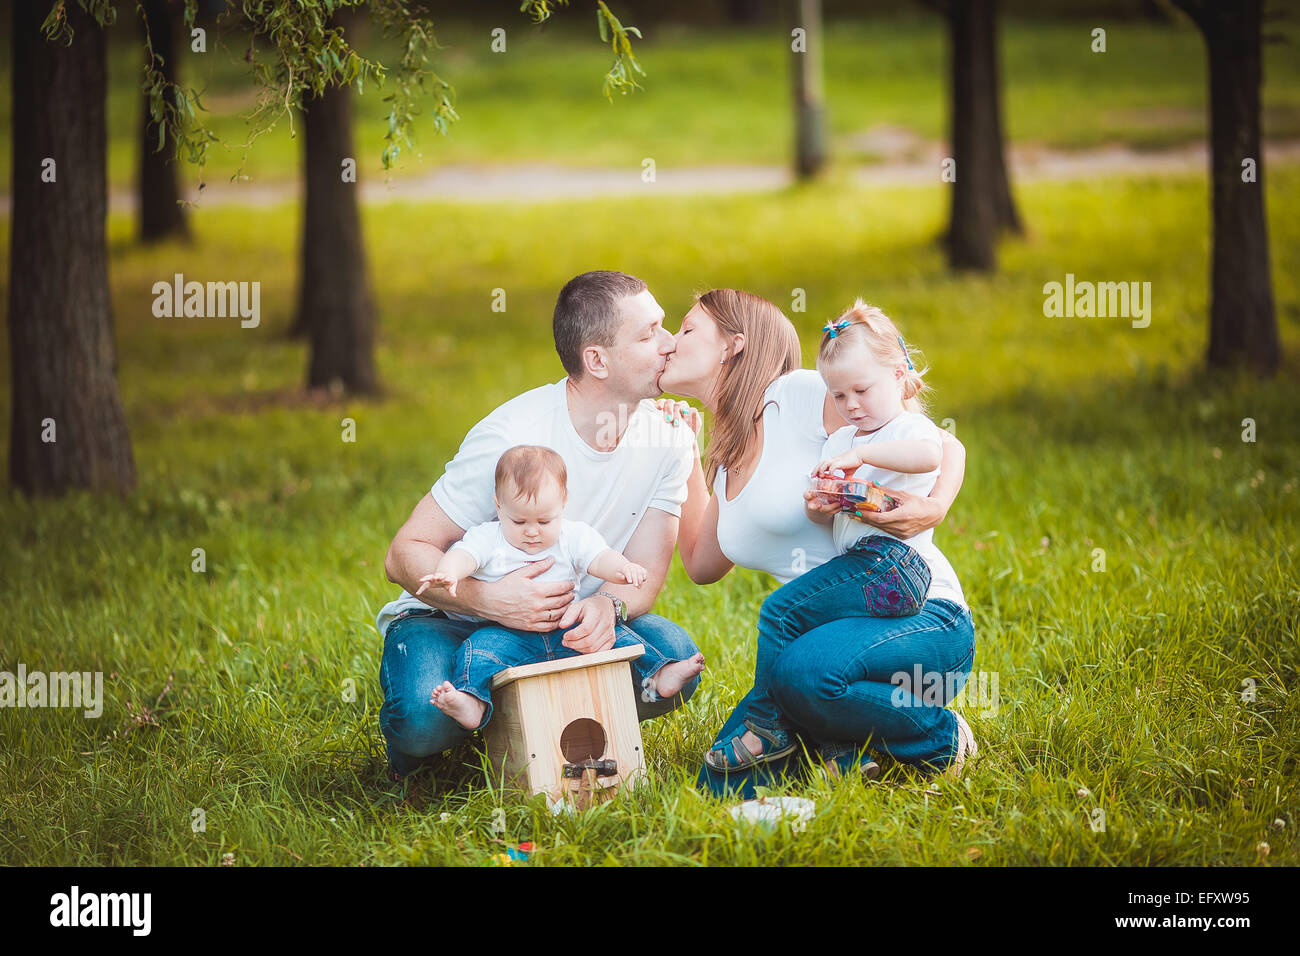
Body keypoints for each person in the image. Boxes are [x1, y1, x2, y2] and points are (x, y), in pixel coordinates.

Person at [377, 271, 703, 782]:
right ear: (597, 359)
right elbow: (404, 554)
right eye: (648, 334)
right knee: (422, 719)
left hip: (564, 628)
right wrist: (489, 599)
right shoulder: (512, 435)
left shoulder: (669, 438)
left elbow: (643, 574)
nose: (669, 345)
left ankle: (509, 717)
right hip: (451, 619)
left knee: (676, 661)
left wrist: (607, 605)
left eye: (664, 327)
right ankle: (468, 717)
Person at [657, 289, 975, 797]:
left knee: (803, 674)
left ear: (732, 346)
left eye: (687, 328)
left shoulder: (796, 396)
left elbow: (938, 440)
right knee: (717, 790)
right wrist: (683, 455)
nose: (669, 342)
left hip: (916, 618)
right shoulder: (729, 456)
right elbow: (699, 564)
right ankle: (848, 749)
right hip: (815, 649)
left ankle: (940, 736)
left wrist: (935, 505)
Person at [419, 444, 705, 731]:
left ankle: (658, 676)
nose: (532, 531)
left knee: (620, 639)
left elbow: (598, 557)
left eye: (544, 520)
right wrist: (448, 572)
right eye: (518, 521)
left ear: (563, 503)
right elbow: (465, 555)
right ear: (498, 506)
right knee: (478, 651)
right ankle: (472, 701)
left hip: (569, 630)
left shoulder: (572, 535)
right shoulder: (489, 538)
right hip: (508, 633)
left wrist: (622, 568)